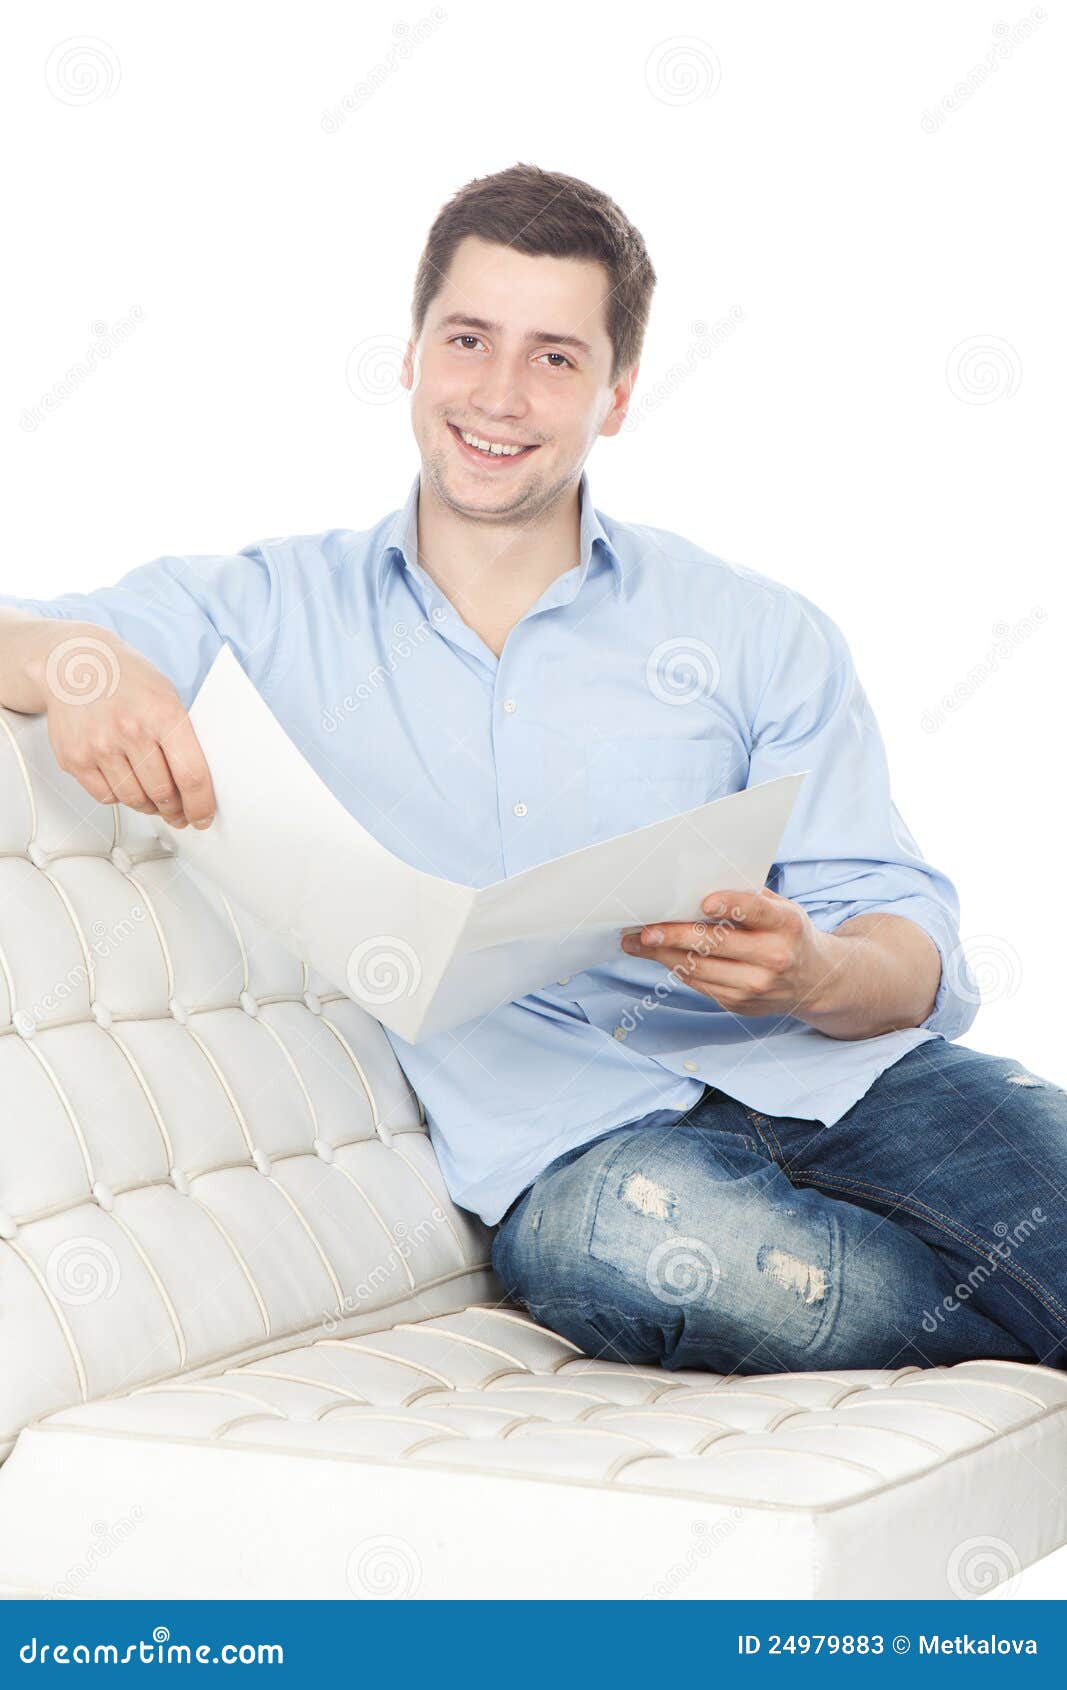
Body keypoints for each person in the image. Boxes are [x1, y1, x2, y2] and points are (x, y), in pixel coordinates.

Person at [1, 163, 1063, 1377]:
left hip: (855, 1080)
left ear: (614, 396)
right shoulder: (269, 610)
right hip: (584, 1156)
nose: (498, 395)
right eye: (467, 339)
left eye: (555, 357)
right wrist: (79, 660)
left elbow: (905, 936)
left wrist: (815, 969)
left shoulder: (755, 629)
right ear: (409, 356)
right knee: (645, 1263)